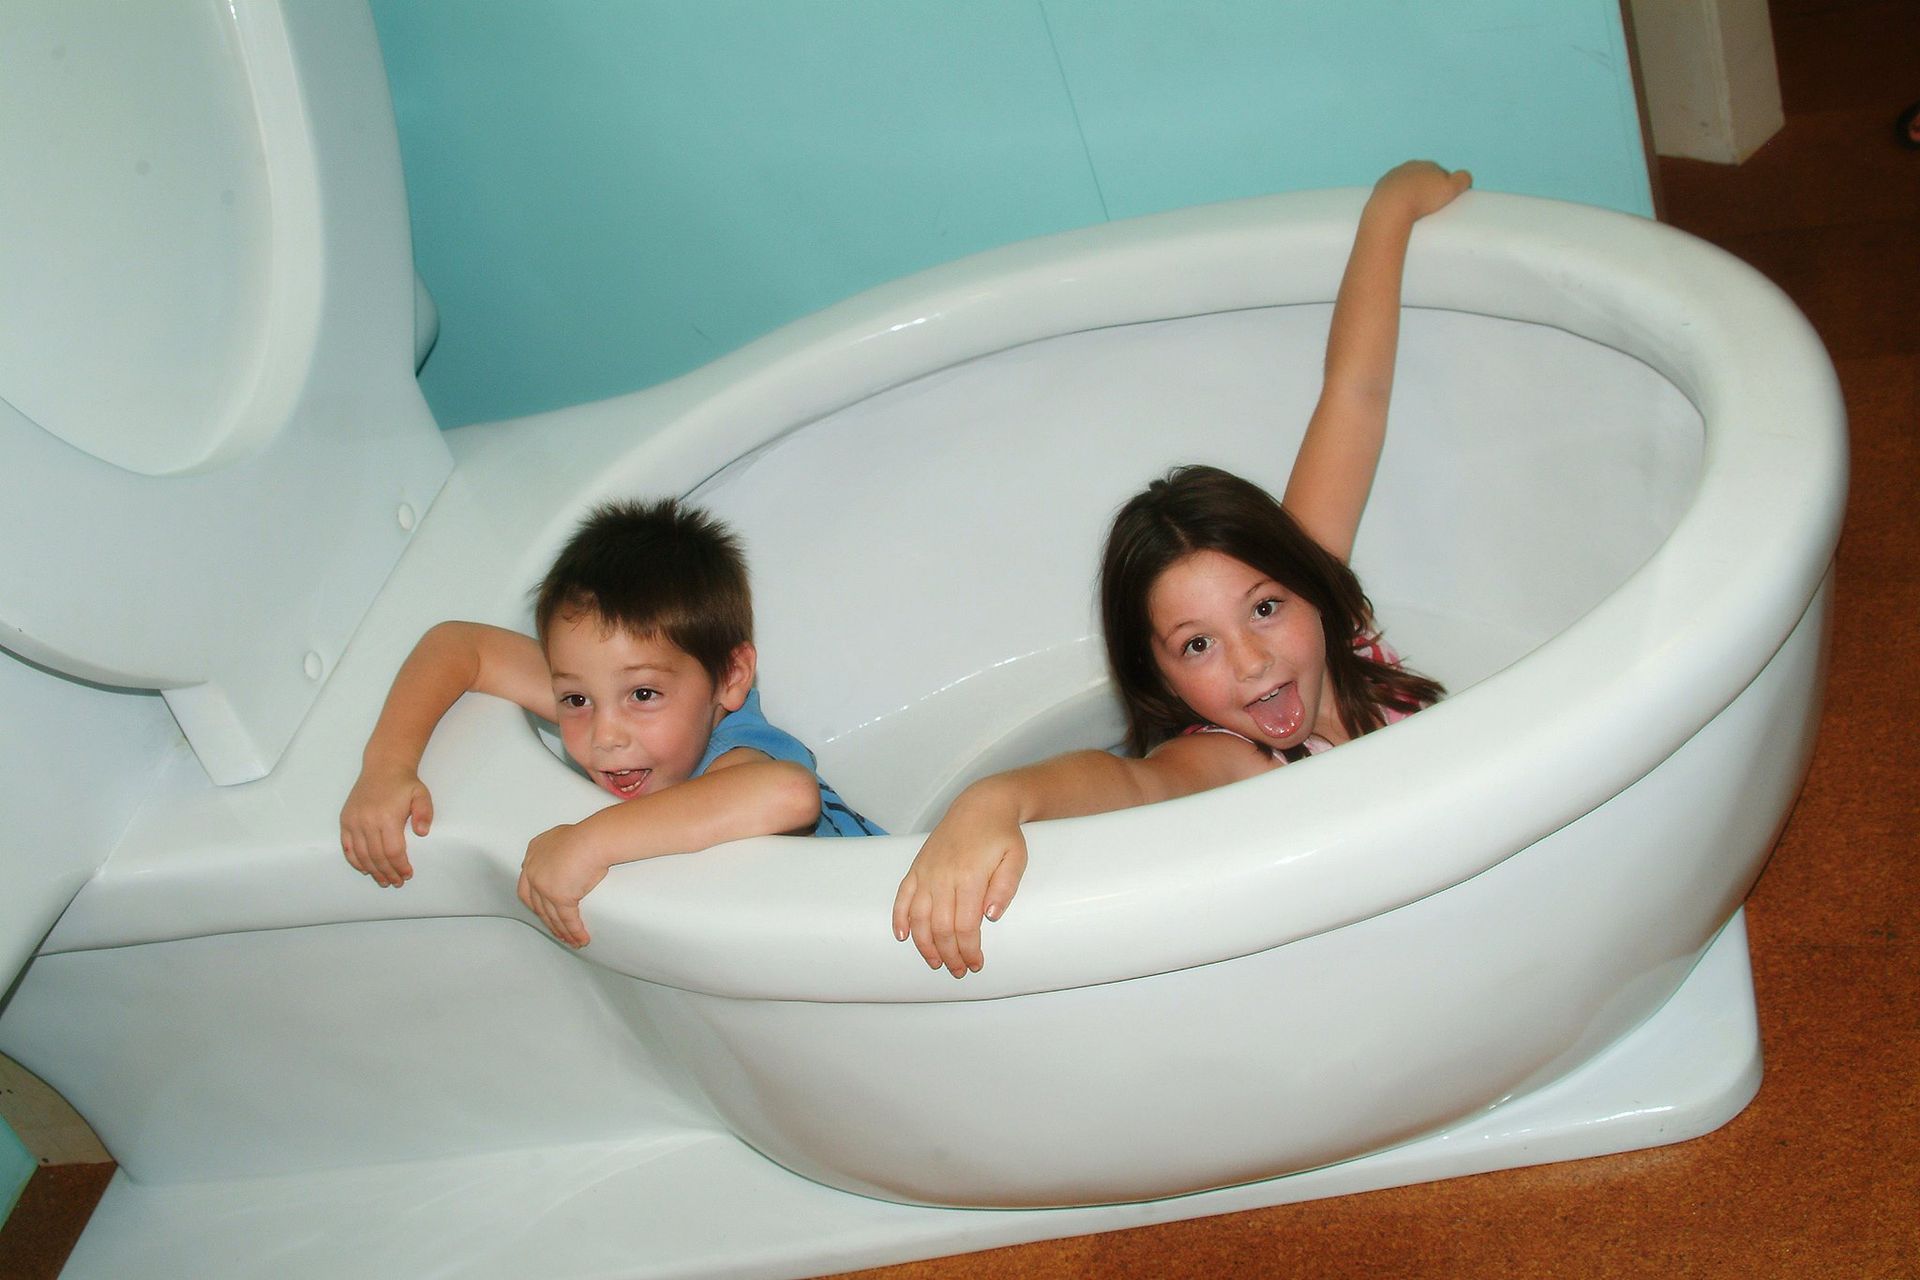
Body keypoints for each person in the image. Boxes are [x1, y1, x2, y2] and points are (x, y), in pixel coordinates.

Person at [891, 160, 1469, 977]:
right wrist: (995, 802)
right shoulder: (1235, 760)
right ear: (1159, 680)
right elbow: (1130, 788)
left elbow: (1355, 393)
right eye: (1196, 645)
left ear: (1305, 586)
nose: (1251, 658)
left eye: (1264, 608)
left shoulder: (1322, 613)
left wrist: (1389, 211)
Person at [341, 498, 882, 947]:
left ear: (730, 679)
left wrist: (590, 842)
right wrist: (387, 766)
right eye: (574, 699)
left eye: (643, 694)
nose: (604, 735)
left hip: (884, 916)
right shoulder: (620, 705)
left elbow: (788, 794)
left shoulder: (740, 748)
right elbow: (459, 645)